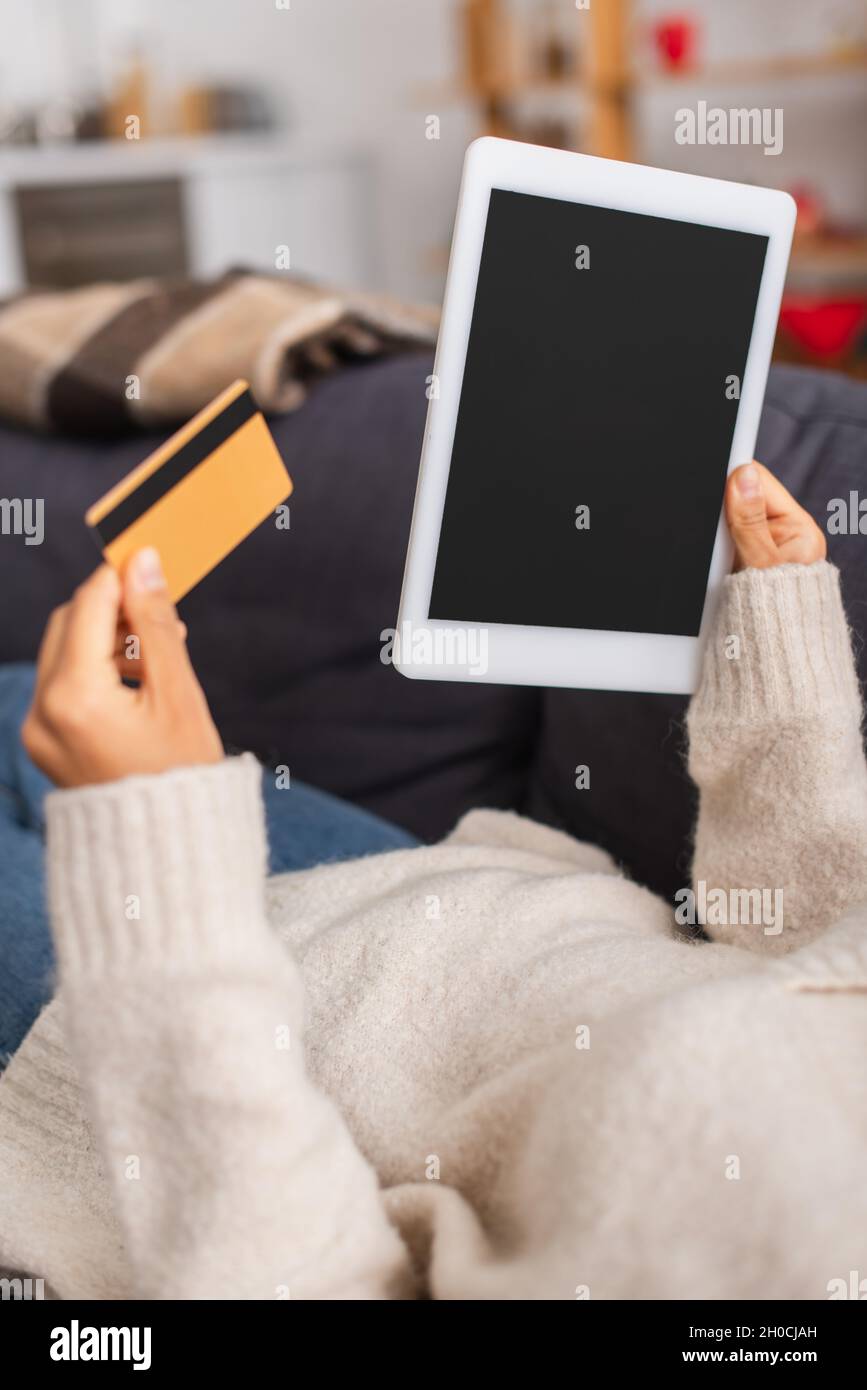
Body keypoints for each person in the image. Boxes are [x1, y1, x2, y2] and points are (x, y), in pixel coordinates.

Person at [0, 461, 865, 1300]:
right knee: (22, 695)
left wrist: (165, 864)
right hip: (421, 891)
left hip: (152, 1048)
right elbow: (805, 927)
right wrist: (780, 638)